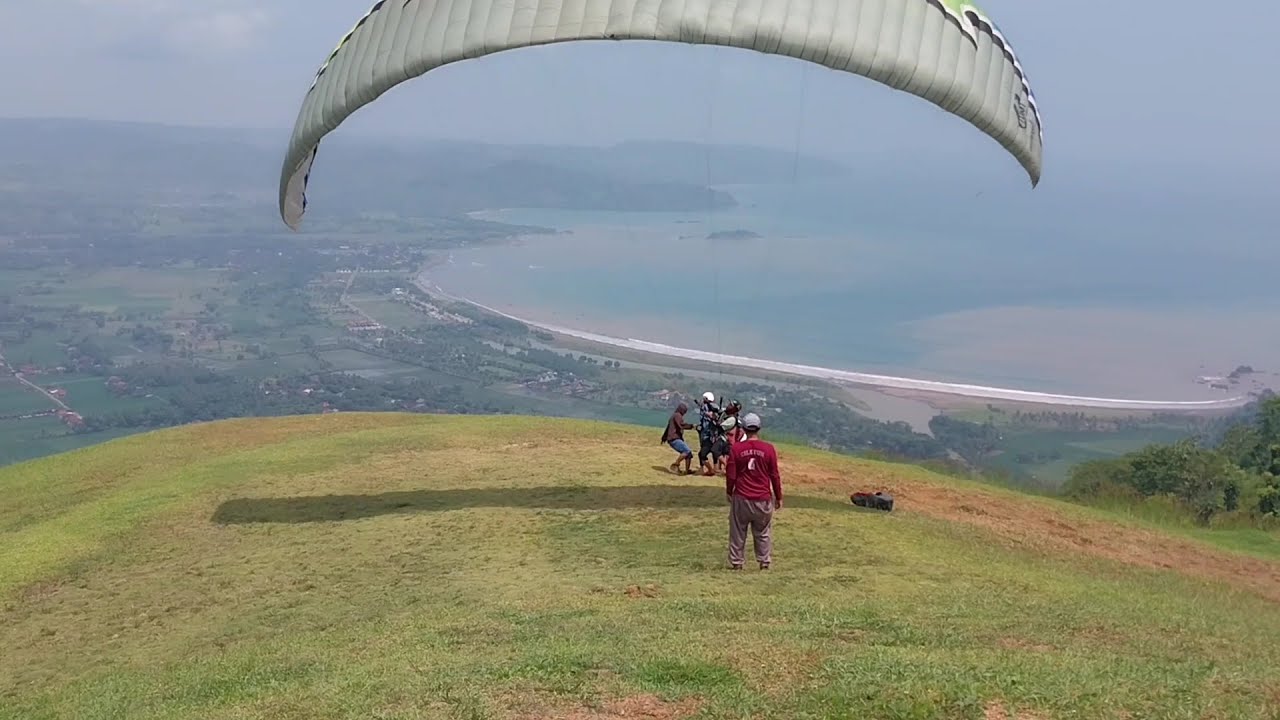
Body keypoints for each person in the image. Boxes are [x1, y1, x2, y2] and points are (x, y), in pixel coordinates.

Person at [724, 412, 782, 570]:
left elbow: (731, 474)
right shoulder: (769, 449)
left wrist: (729, 491)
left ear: (743, 429)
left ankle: (737, 562)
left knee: (738, 531)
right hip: (762, 498)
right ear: (759, 429)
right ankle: (764, 561)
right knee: (763, 531)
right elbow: (774, 475)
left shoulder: (736, 449)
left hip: (742, 496)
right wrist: (778, 496)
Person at [660, 402, 695, 474]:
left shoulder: (674, 416)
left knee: (689, 454)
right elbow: (681, 425)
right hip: (674, 439)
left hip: (674, 438)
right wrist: (692, 426)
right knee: (686, 451)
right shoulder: (677, 416)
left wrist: (664, 437)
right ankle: (675, 464)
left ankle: (687, 470)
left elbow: (668, 428)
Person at [696, 391, 724, 477]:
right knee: (713, 451)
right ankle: (715, 468)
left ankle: (706, 469)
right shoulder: (714, 407)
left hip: (708, 433)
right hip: (713, 434)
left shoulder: (708, 408)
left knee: (703, 452)